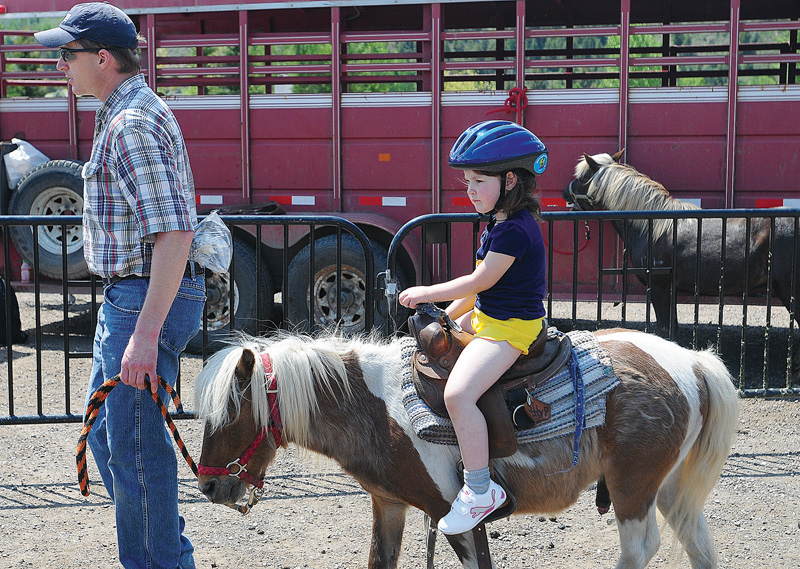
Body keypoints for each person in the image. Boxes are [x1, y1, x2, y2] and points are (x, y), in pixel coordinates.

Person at [35, 4, 205, 568]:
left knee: (132, 453)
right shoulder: (129, 112)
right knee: (116, 443)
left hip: (140, 301)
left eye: (67, 54)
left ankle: (160, 562)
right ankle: (165, 554)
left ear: (102, 58)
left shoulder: (130, 123)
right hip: (132, 298)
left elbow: (175, 231)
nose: (62, 66)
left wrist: (145, 333)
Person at [399, 120, 548, 535]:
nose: (470, 189)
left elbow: (479, 281)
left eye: (479, 180)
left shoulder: (515, 230)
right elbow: (482, 286)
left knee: (459, 394)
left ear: (511, 179)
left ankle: (480, 489)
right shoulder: (499, 221)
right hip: (490, 316)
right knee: (431, 349)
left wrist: (428, 293)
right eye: (467, 181)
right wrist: (446, 315)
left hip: (511, 329)